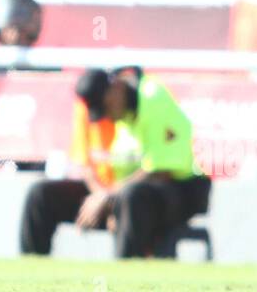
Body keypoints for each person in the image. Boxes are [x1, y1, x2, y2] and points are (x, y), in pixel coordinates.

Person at [20, 67, 211, 259]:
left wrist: (110, 197)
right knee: (41, 194)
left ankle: (125, 276)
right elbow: (91, 168)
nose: (106, 116)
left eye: (106, 106)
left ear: (117, 88)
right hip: (122, 193)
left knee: (132, 196)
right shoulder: (120, 110)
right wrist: (107, 198)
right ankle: (31, 270)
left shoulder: (153, 97)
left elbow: (160, 171)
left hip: (180, 191)